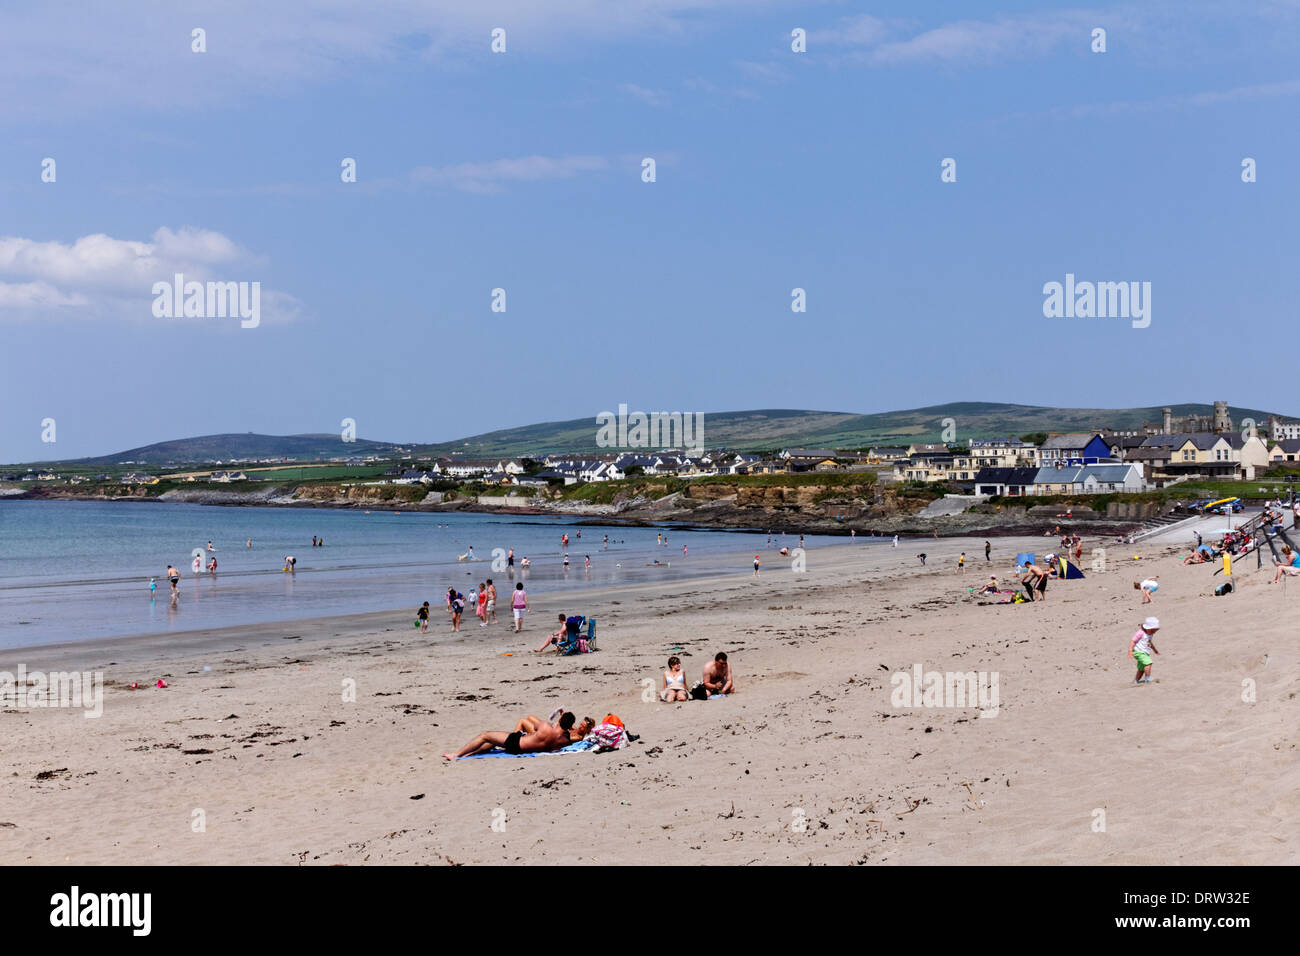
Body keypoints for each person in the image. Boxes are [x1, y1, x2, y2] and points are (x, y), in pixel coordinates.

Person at [443, 712, 577, 760]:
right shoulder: (565, 741)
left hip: (516, 743)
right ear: (570, 726)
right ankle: (470, 754)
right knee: (495, 741)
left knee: (485, 735)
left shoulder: (547, 727)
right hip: (522, 750)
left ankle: (457, 755)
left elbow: (535, 726)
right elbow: (569, 735)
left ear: (559, 720)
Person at [513, 711, 594, 742]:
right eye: (581, 724)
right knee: (530, 717)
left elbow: (564, 737)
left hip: (547, 735)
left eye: (583, 727)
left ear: (587, 730)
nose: (580, 727)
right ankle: (523, 735)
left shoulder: (578, 737)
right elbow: (569, 723)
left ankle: (513, 739)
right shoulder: (576, 730)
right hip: (551, 730)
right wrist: (563, 713)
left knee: (522, 721)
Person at [1129, 617, 1160, 684]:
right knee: (1148, 663)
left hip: (1144, 653)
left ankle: (1136, 681)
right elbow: (1133, 641)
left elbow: (1149, 643)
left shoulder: (1150, 634)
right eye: (1152, 631)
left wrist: (1155, 650)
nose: (1153, 633)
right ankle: (1147, 678)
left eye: (1154, 632)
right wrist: (1130, 650)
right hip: (1138, 652)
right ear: (1147, 628)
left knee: (1141, 669)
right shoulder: (1141, 633)